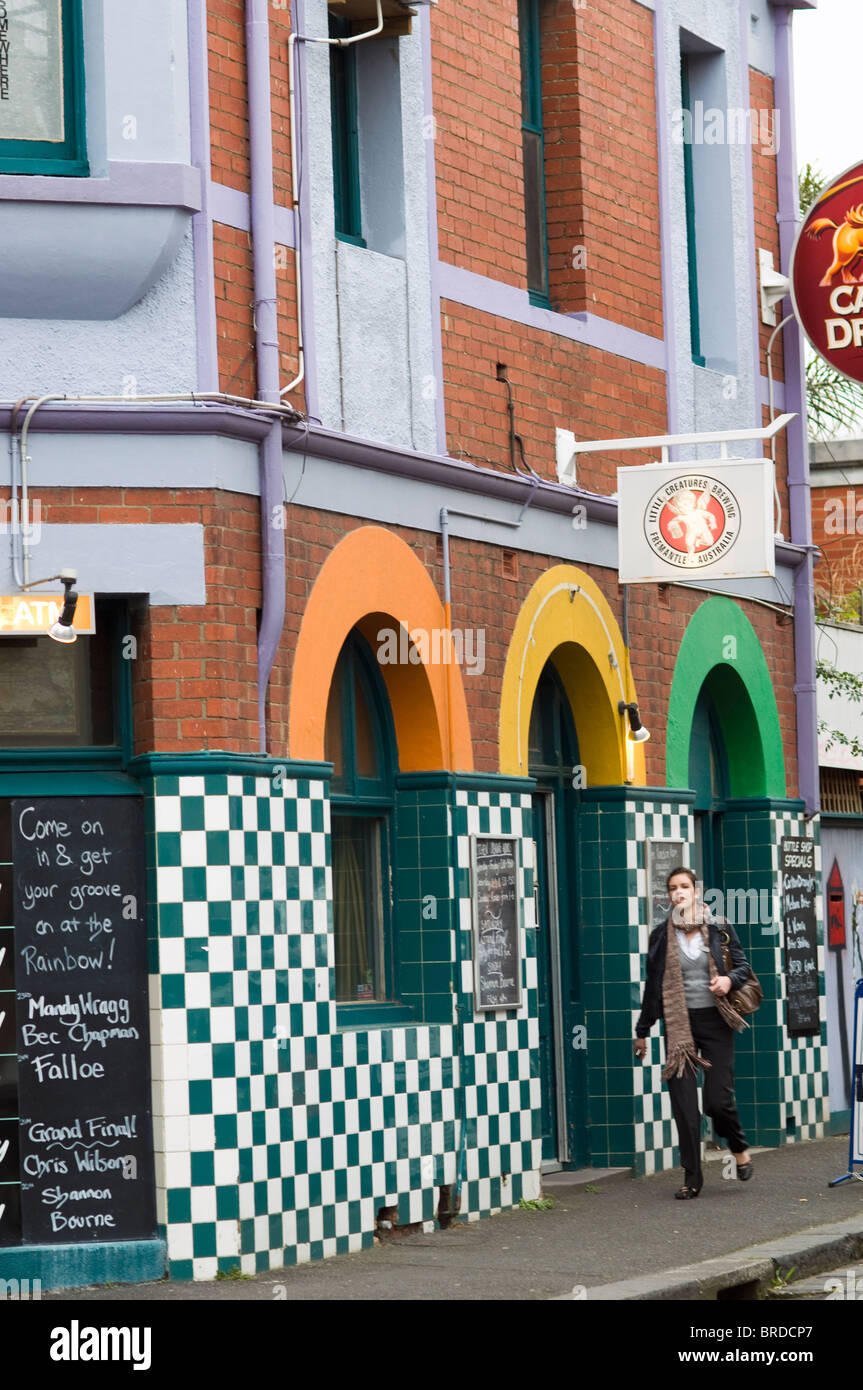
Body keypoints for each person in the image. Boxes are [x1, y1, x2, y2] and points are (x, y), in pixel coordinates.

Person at [634, 866, 754, 1199]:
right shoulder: (661, 935)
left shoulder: (718, 927)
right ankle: (692, 1178)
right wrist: (642, 1030)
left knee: (716, 1101)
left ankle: (738, 1145)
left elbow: (744, 966)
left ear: (696, 890)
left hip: (716, 1022)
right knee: (685, 1108)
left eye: (684, 886)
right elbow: (653, 986)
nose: (679, 893)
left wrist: (728, 980)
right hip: (679, 1027)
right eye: (673, 888)